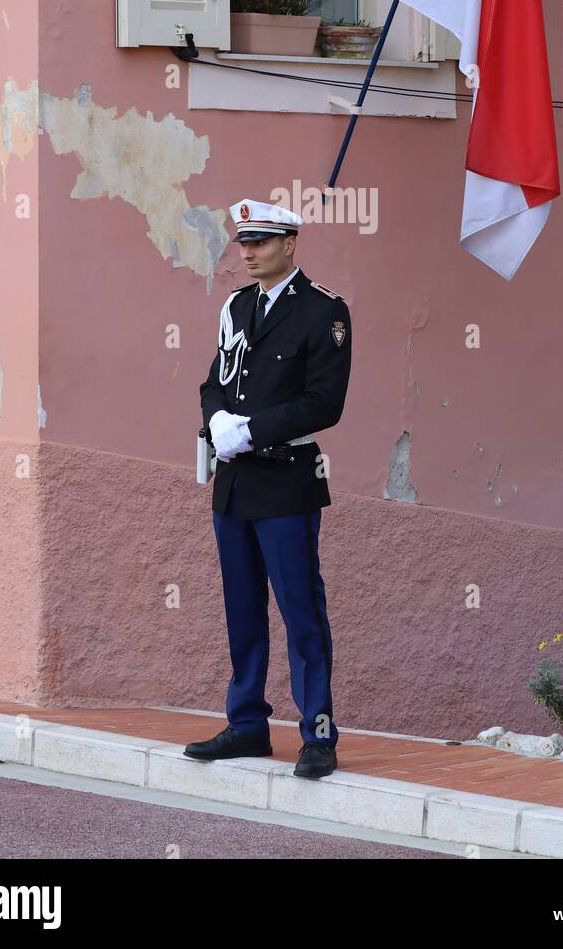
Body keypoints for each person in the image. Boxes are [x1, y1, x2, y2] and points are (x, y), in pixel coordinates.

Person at [185, 198, 352, 779]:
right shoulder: (236, 306)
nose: (248, 252)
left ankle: (318, 733)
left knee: (301, 610)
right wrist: (216, 423)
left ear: (291, 243)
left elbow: (324, 403)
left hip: (285, 480)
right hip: (234, 482)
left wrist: (251, 429)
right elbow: (215, 381)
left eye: (260, 241)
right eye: (243, 242)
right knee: (242, 609)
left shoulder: (323, 311)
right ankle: (248, 723)